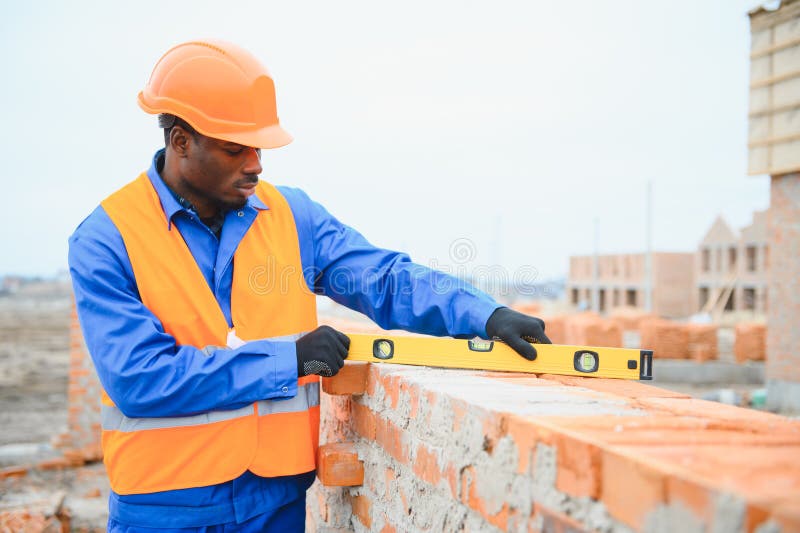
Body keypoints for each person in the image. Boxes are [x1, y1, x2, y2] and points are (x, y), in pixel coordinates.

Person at [68, 39, 550, 532]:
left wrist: (484, 314)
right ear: (181, 141)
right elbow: (140, 379)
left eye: (259, 147)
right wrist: (291, 360)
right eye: (235, 148)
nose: (255, 164)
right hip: (164, 511)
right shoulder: (107, 239)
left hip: (274, 505)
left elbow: (383, 278)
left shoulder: (291, 216)